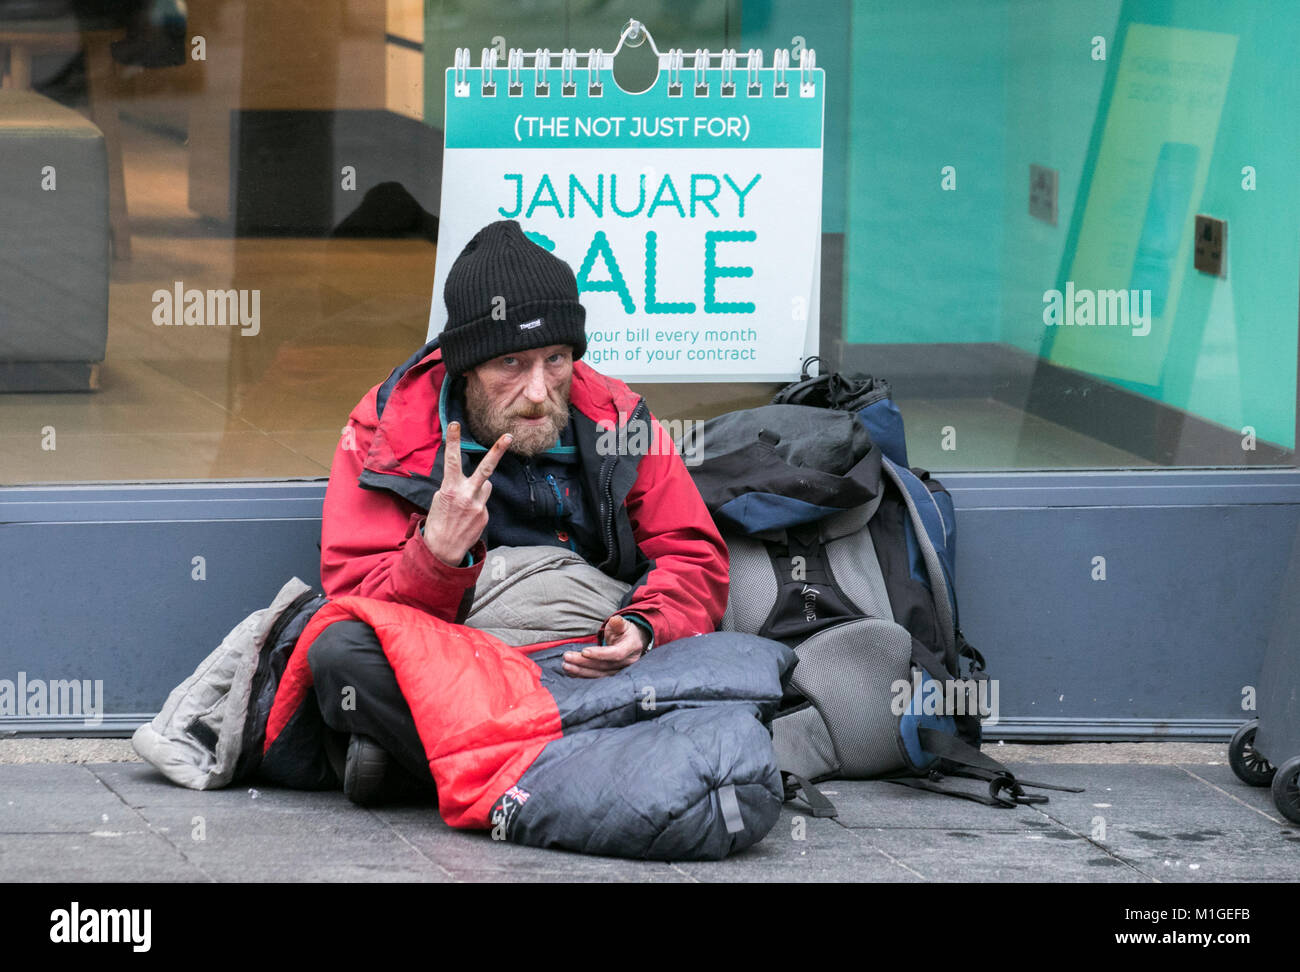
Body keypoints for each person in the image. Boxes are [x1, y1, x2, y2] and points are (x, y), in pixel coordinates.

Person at [307, 219, 730, 804]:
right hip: (472, 667)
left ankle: (453, 763)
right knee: (339, 656)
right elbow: (359, 601)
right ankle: (589, 767)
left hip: (589, 659)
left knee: (731, 649)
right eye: (510, 363)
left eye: (555, 359)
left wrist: (644, 627)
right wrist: (437, 554)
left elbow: (691, 554)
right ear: (465, 366)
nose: (538, 390)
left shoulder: (618, 418)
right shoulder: (388, 433)